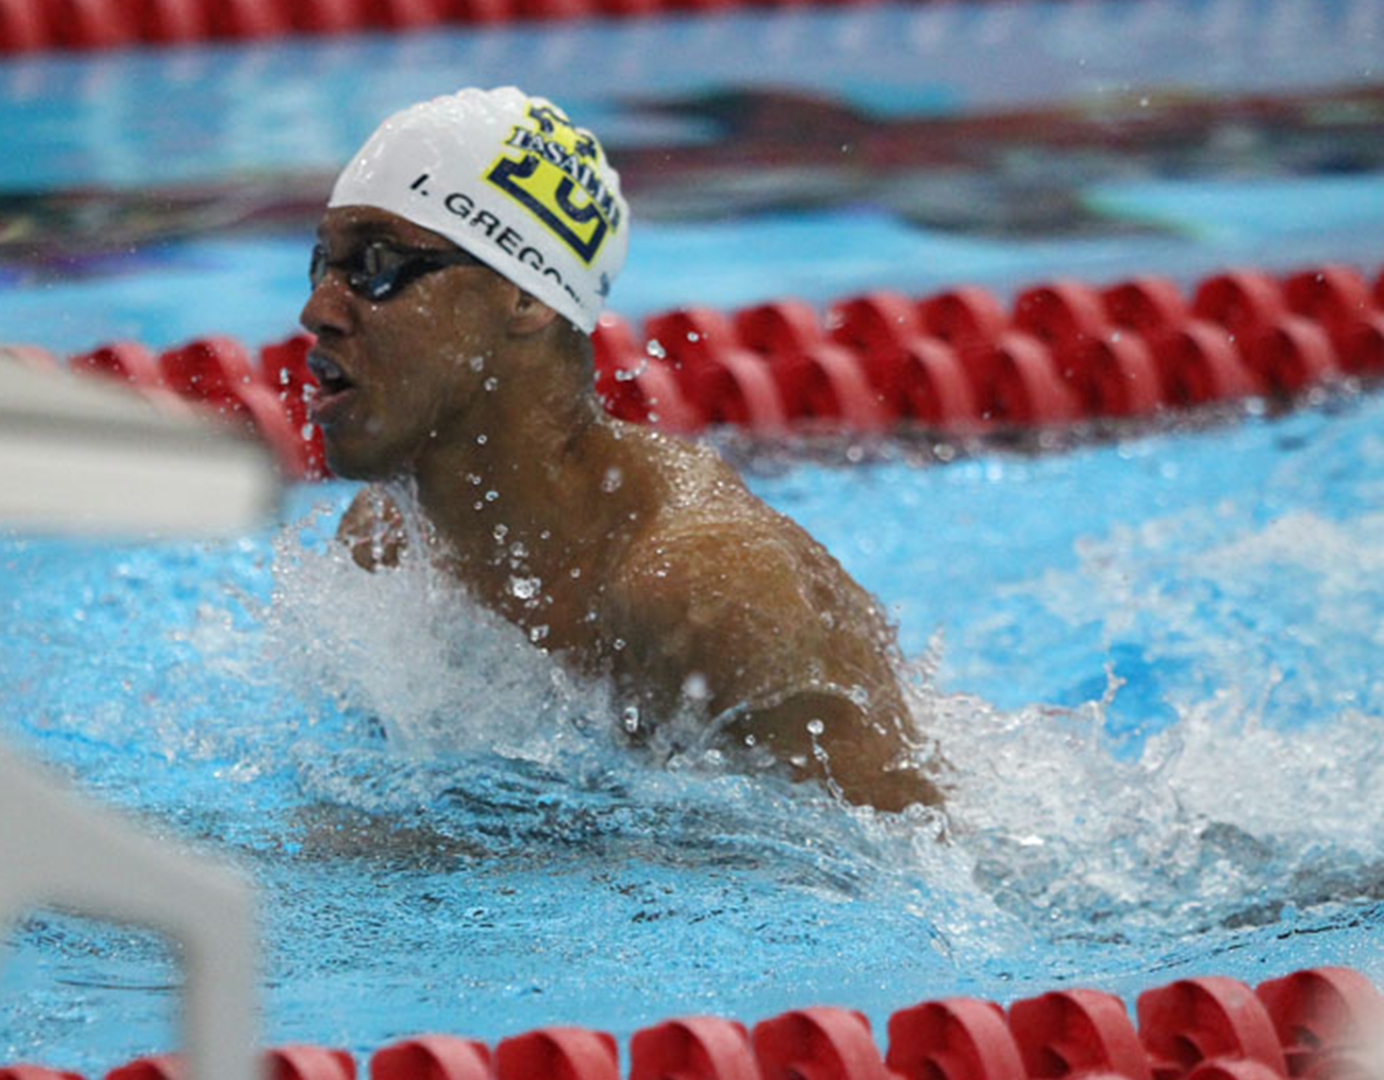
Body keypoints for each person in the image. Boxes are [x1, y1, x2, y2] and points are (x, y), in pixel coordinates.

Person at [299, 87, 940, 812]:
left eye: (376, 264)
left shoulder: (706, 590)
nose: (318, 309)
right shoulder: (383, 544)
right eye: (321, 264)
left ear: (526, 298)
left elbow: (909, 878)